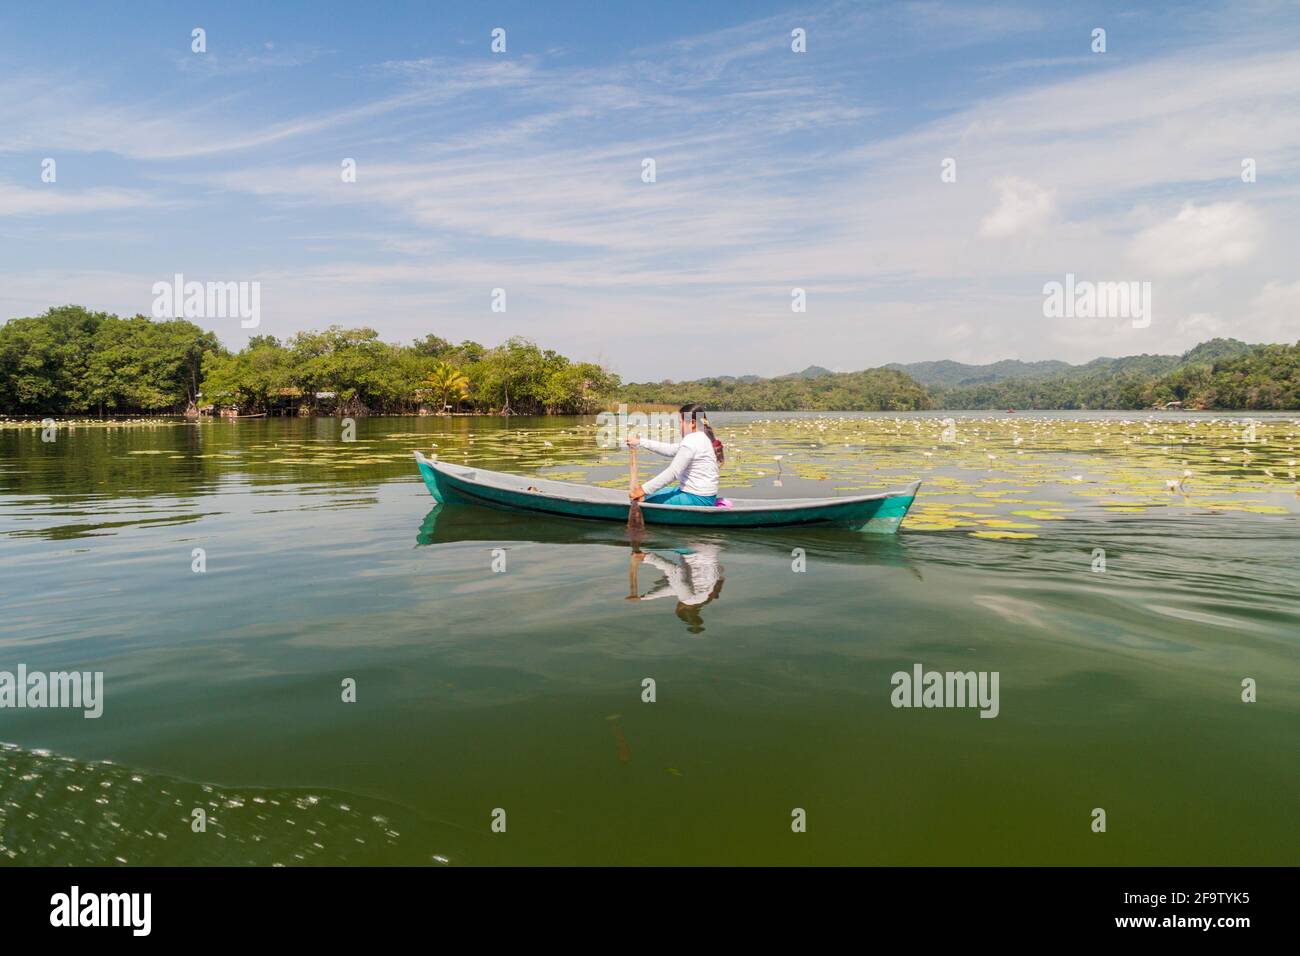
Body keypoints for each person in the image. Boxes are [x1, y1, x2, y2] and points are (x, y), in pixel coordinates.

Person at [626, 403, 724, 506]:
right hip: (705, 497)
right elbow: (670, 449)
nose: (679, 427)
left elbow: (673, 472)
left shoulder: (692, 440)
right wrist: (640, 442)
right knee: (649, 494)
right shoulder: (702, 437)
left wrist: (643, 489)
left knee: (642, 500)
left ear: (693, 423)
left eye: (680, 422)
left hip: (697, 499)